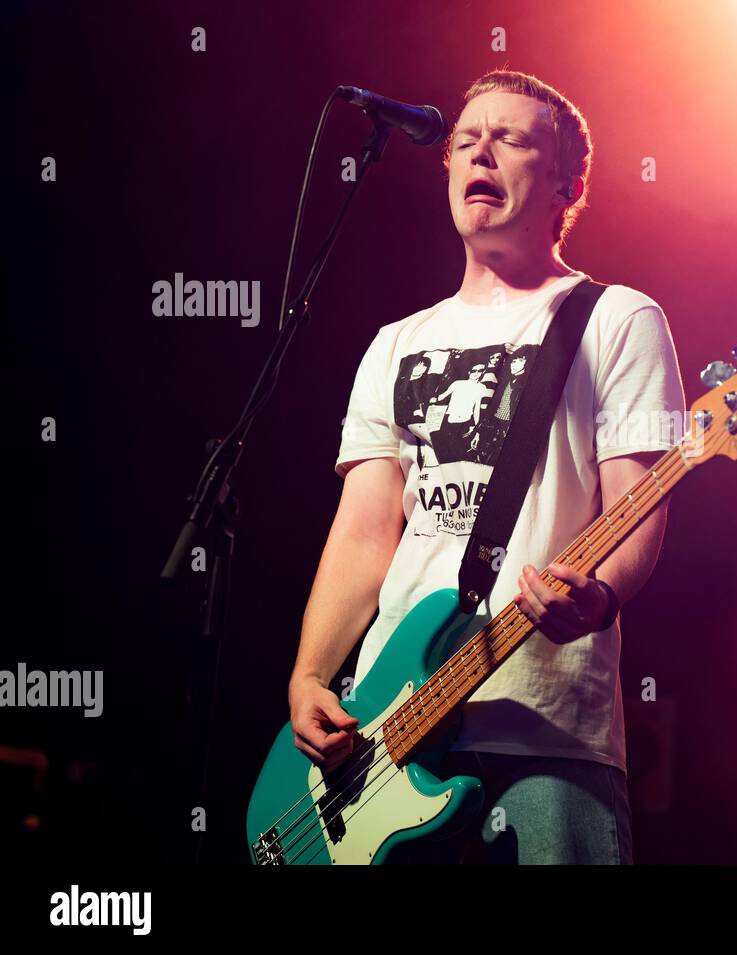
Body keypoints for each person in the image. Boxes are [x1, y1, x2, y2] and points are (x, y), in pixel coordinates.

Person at [286, 69, 687, 864]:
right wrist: (309, 676)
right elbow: (364, 535)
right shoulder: (395, 342)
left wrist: (599, 592)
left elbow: (638, 505)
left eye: (509, 139)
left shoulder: (616, 318)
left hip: (545, 731)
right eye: (467, 139)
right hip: (389, 736)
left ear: (567, 184)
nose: (480, 151)